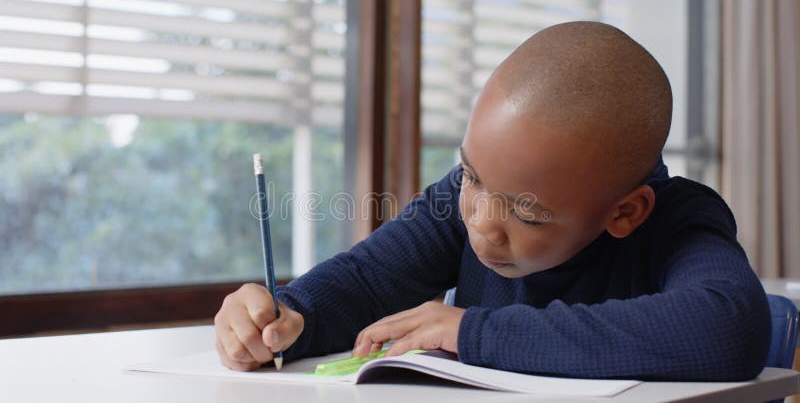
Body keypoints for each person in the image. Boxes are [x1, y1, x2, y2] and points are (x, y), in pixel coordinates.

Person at [214, 21, 770, 381]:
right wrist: (289, 316)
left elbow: (729, 328)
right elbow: (365, 282)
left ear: (625, 212)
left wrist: (469, 331)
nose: (481, 222)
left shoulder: (678, 221)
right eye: (472, 175)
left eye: (526, 212)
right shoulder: (462, 201)